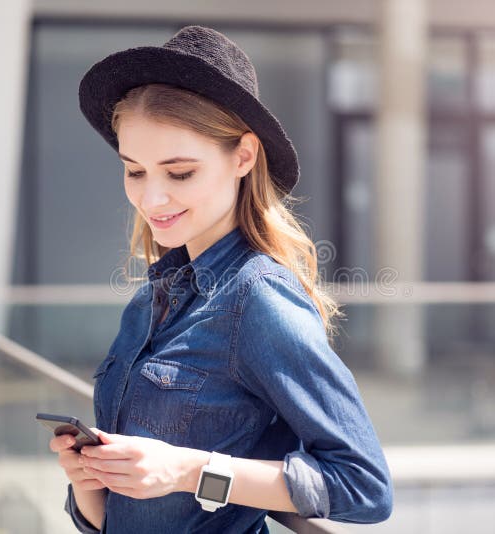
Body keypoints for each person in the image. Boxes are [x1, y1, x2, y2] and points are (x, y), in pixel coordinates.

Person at [48, 25, 393, 533]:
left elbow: (365, 487)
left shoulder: (258, 298)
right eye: (135, 171)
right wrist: (90, 478)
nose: (152, 199)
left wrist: (187, 471)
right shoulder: (154, 296)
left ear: (243, 156)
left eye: (180, 172)